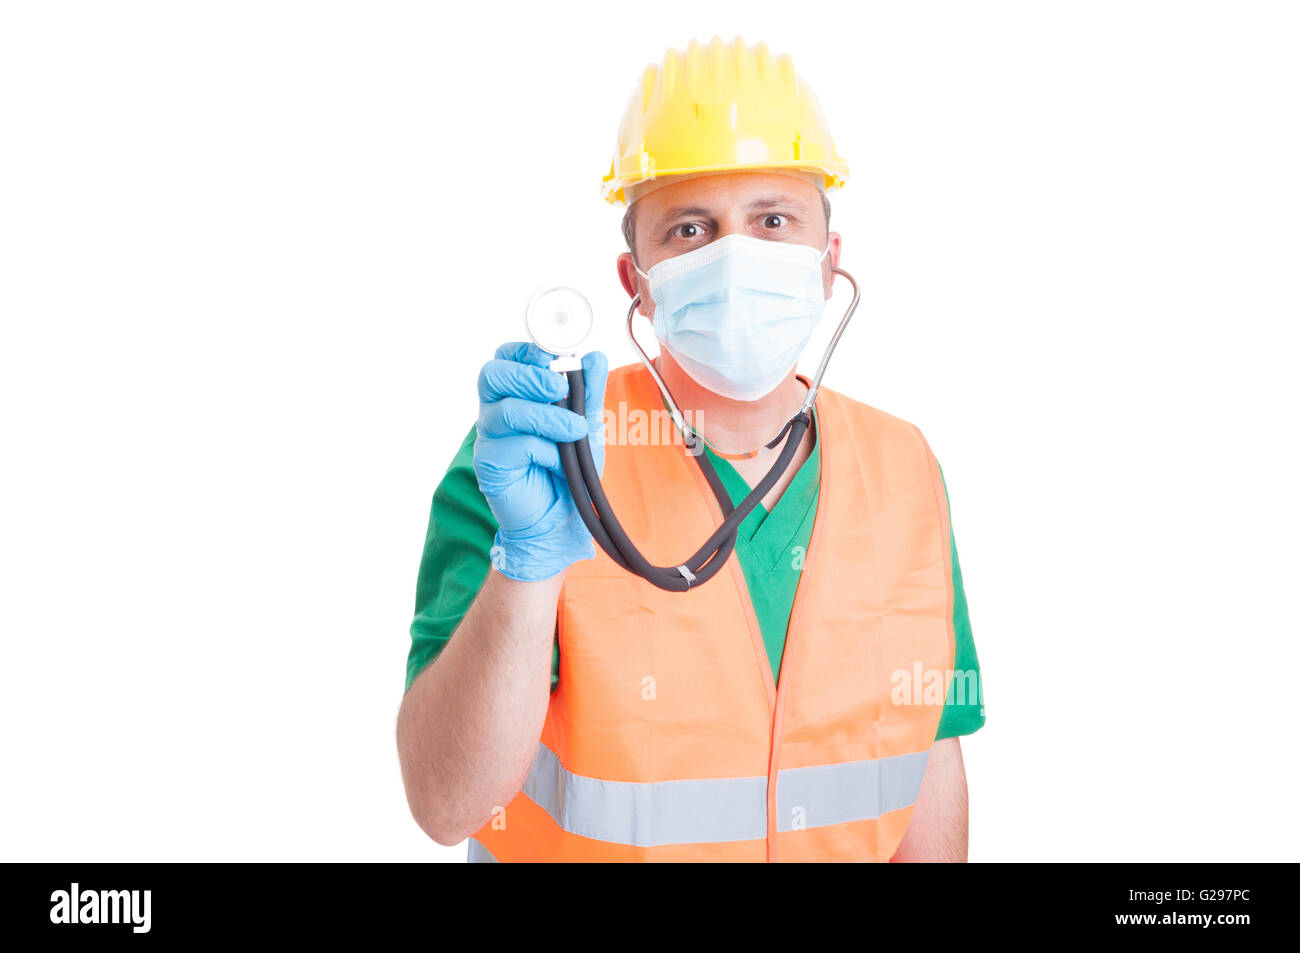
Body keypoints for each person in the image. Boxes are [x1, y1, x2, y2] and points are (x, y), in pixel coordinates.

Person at [397, 36, 985, 862]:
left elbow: (928, 745)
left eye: (773, 219)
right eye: (690, 227)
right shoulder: (540, 461)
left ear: (829, 262)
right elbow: (444, 802)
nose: (736, 257)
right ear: (635, 279)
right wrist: (524, 569)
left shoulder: (904, 465)